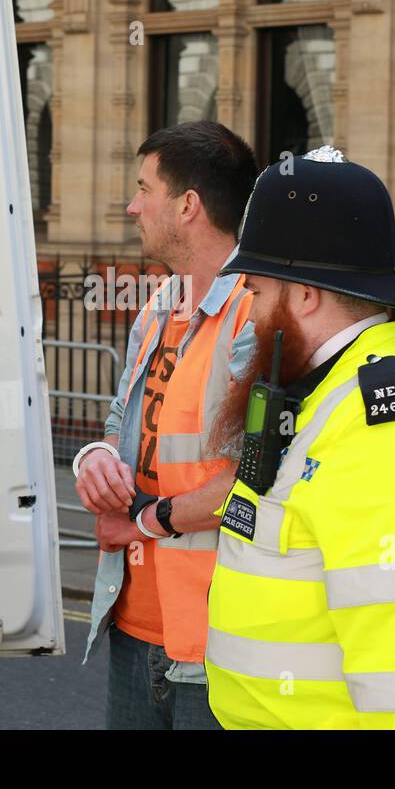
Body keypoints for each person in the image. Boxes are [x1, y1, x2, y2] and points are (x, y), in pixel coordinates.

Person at [203, 147, 395, 729]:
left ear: (305, 296)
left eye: (259, 292)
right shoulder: (331, 398)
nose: (251, 313)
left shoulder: (387, 431)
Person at [75, 121, 257, 729]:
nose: (131, 205)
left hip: (214, 641)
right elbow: (123, 418)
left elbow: (250, 485)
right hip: (129, 620)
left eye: (143, 188)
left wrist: (140, 524)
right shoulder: (158, 305)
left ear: (187, 206)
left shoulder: (252, 316)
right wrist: (94, 460)